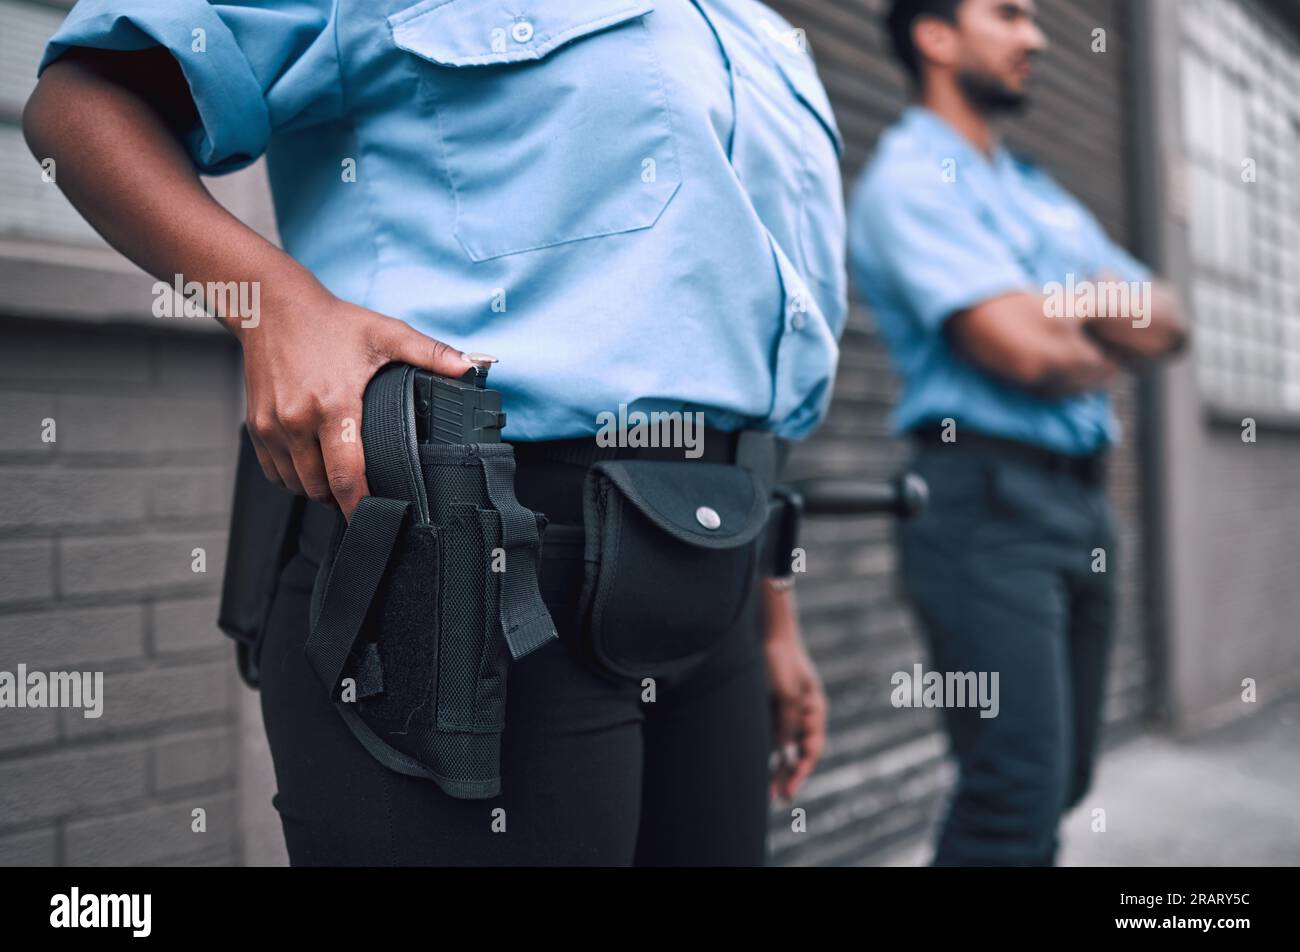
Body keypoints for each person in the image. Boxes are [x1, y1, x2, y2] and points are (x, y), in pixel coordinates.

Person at [24, 0, 847, 865]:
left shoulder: (756, 28)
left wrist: (772, 621)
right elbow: (80, 102)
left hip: (713, 573)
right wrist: (273, 306)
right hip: (464, 564)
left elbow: (739, 357)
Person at [848, 0, 1187, 866]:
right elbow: (1027, 354)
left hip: (1080, 502)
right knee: (1013, 793)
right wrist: (1085, 315)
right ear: (934, 35)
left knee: (1063, 777)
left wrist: (1051, 307)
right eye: (1008, 14)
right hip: (982, 504)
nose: (1036, 38)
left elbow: (1169, 323)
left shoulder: (1035, 188)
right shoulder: (910, 180)